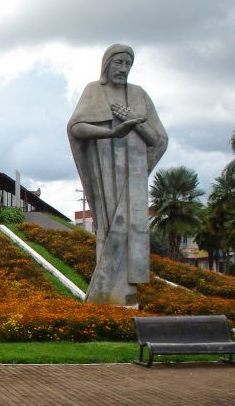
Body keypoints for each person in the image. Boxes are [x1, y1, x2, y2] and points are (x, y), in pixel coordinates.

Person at [67, 44, 168, 306]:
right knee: (108, 225)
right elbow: (76, 127)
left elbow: (158, 140)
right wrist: (111, 133)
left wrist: (135, 121)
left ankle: (122, 297)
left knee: (129, 229)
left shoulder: (138, 95)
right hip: (103, 172)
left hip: (132, 177)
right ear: (106, 64)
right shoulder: (94, 90)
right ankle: (107, 298)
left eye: (128, 64)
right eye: (118, 63)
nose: (123, 69)